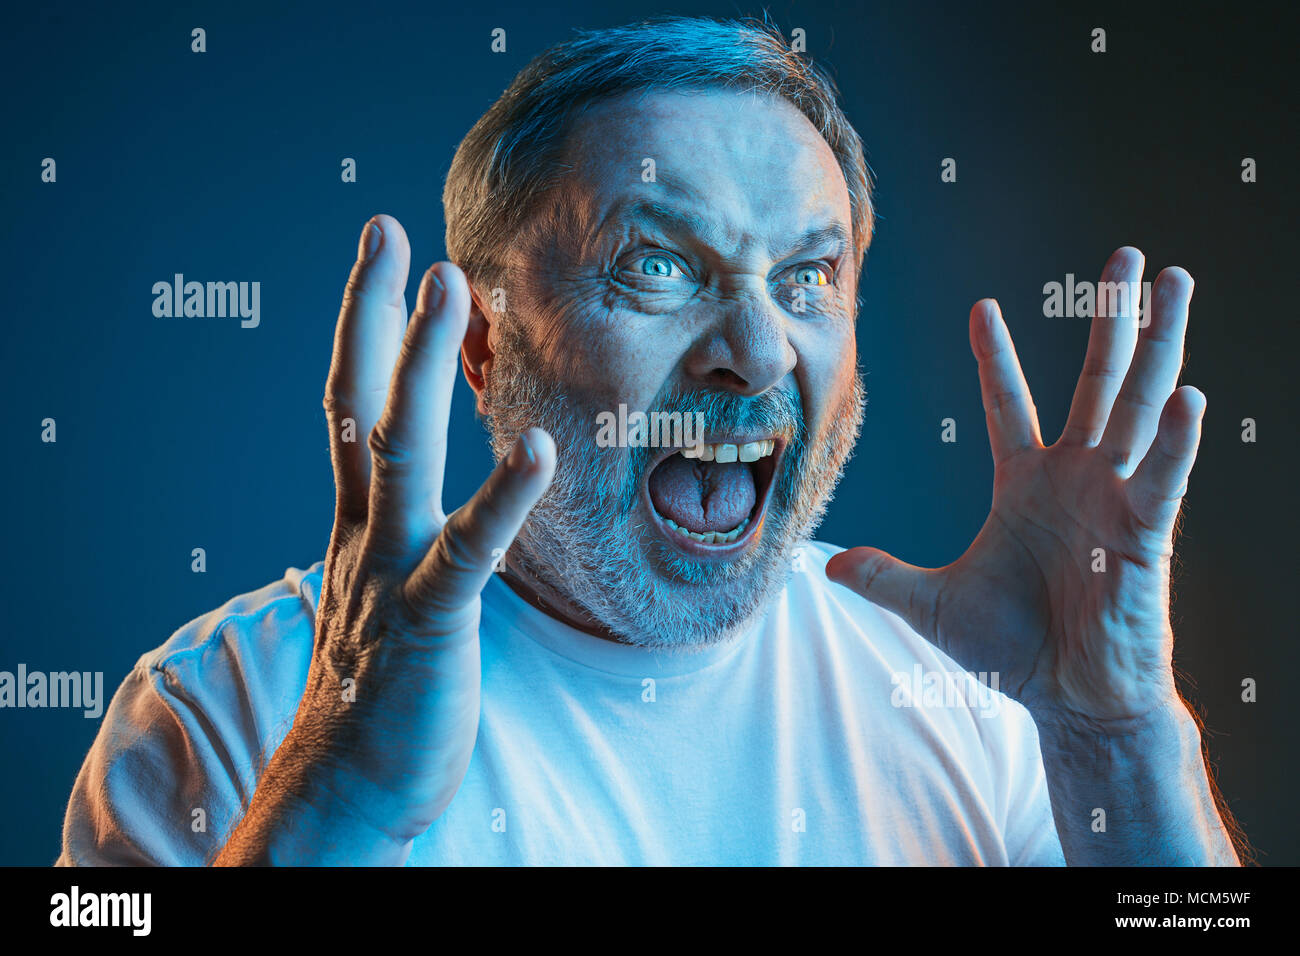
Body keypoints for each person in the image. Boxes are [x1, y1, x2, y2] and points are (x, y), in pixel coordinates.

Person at [57, 16, 1243, 866]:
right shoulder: (224, 704)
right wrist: (341, 801)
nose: (760, 350)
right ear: (483, 347)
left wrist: (1116, 736)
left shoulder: (983, 703)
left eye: (807, 276)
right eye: (658, 265)